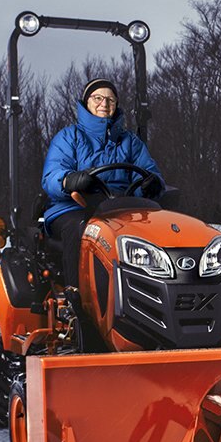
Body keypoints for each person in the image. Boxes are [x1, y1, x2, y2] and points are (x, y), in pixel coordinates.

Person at [41, 77, 164, 288]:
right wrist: (70, 180)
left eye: (110, 100)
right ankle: (77, 296)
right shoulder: (69, 137)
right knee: (82, 228)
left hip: (121, 208)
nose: (104, 104)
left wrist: (151, 185)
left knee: (155, 230)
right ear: (86, 102)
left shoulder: (130, 142)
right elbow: (52, 175)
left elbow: (148, 172)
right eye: (97, 98)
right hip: (75, 206)